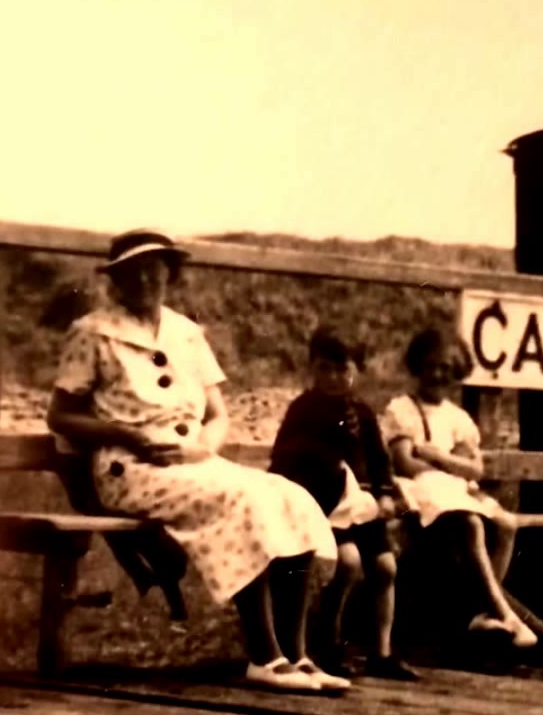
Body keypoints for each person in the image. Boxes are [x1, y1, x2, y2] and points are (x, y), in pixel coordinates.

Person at [46, 229, 347, 692]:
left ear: (171, 273)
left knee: (291, 496)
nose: (147, 279)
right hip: (129, 468)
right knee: (242, 499)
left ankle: (297, 654)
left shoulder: (186, 333)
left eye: (156, 269)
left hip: (192, 460)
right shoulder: (92, 333)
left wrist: (203, 446)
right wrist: (125, 434)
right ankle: (264, 656)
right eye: (134, 271)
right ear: (117, 280)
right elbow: (61, 416)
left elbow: (218, 414)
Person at [268, 326, 419, 681]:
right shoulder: (303, 409)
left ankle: (382, 651)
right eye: (324, 369)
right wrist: (322, 460)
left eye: (343, 369)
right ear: (311, 369)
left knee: (385, 566)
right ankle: (328, 640)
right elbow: (283, 457)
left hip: (361, 505)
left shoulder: (362, 412)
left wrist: (383, 492)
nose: (334, 378)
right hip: (322, 505)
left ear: (357, 372)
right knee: (347, 562)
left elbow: (380, 458)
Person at [381, 326, 537, 648]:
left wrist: (436, 455)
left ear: (456, 373)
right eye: (431, 367)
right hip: (418, 491)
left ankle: (481, 612)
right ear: (418, 367)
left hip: (451, 488)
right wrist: (452, 466)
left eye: (446, 369)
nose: (437, 375)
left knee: (507, 524)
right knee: (470, 523)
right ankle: (502, 612)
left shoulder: (458, 418)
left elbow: (474, 468)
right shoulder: (403, 409)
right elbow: (405, 464)